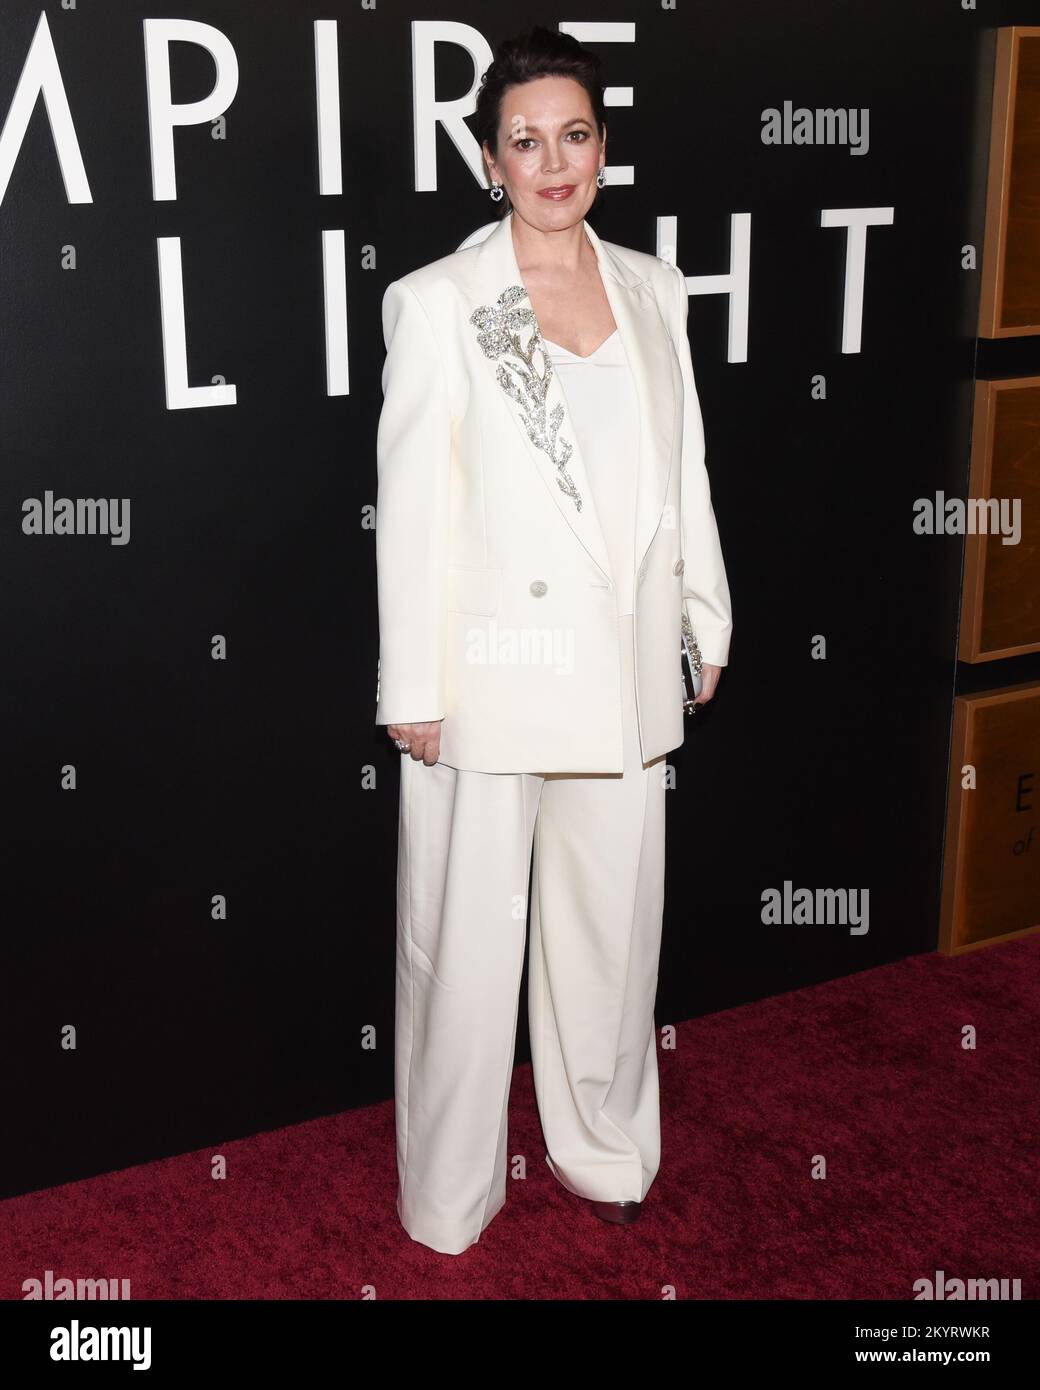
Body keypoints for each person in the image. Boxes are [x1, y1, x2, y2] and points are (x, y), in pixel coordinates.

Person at [374, 25, 733, 1255]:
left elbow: (679, 468)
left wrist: (701, 610)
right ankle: (447, 1192)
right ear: (489, 161)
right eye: (523, 140)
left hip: (622, 668)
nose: (551, 160)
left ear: (601, 146)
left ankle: (604, 1144)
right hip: (485, 677)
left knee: (611, 925)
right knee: (464, 950)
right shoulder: (434, 303)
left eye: (572, 134)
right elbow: (411, 509)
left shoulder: (652, 287)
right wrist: (413, 681)